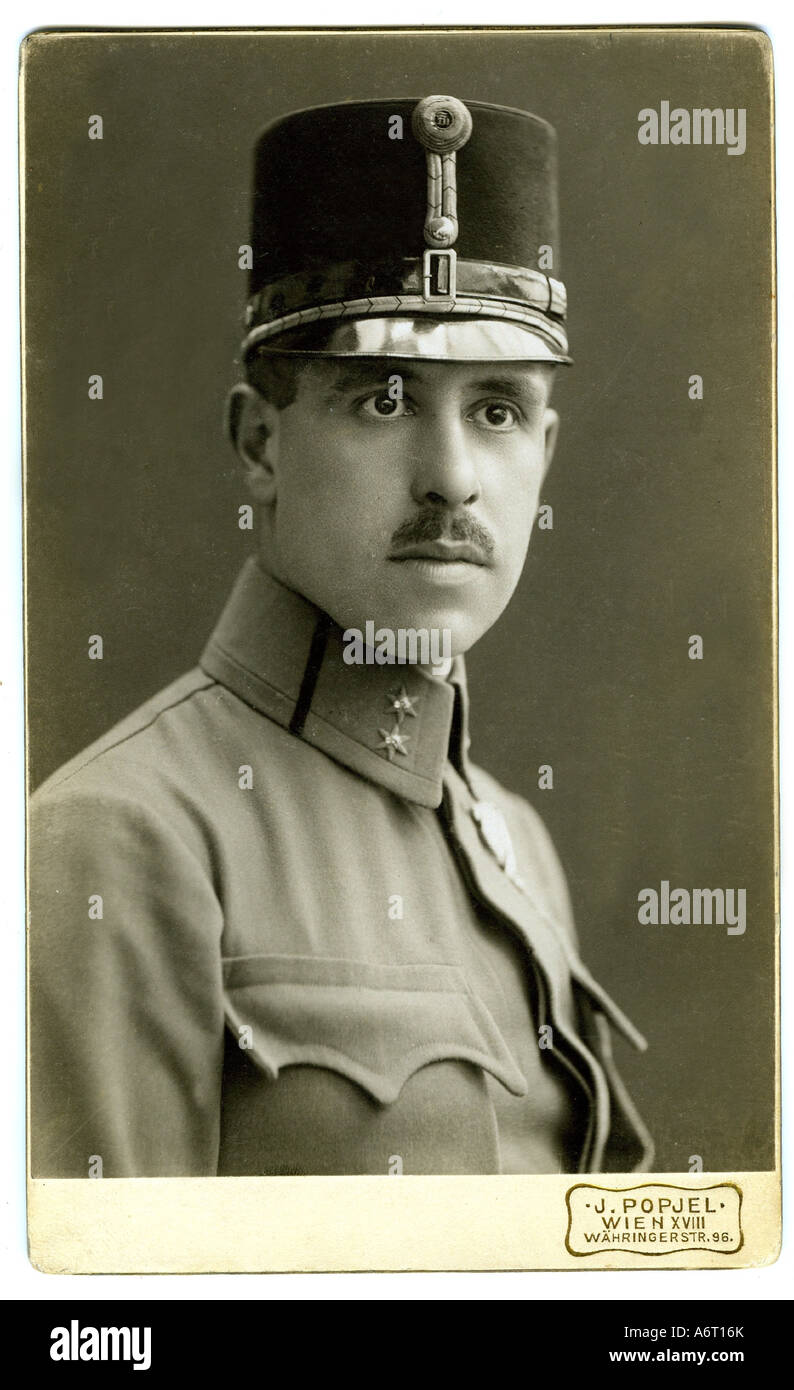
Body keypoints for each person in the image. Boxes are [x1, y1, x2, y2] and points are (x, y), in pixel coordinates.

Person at [29, 94, 654, 1178]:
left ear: (544, 451)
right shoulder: (118, 839)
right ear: (260, 443)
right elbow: (93, 1321)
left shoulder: (514, 846)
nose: (452, 478)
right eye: (382, 401)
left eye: (496, 410)